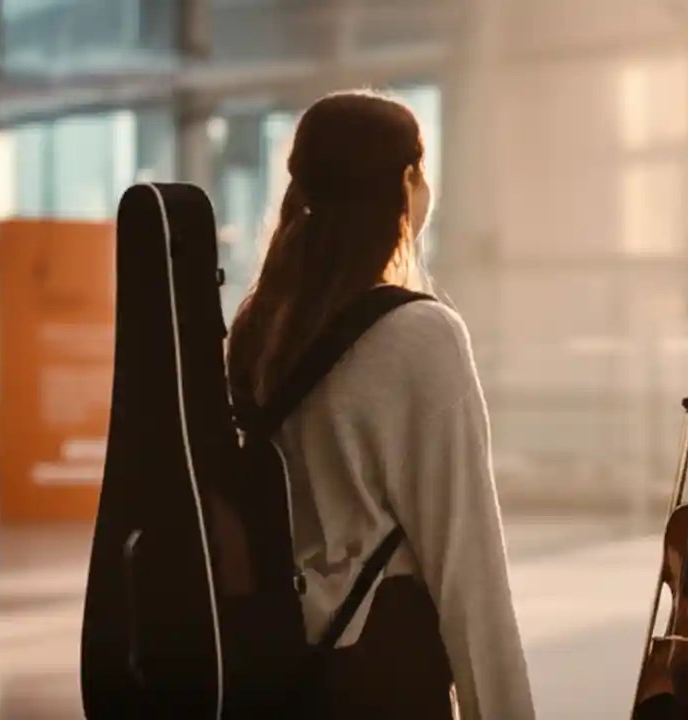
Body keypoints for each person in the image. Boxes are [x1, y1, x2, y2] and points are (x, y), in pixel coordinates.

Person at [226, 90, 535, 720]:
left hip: (275, 664)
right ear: (407, 181)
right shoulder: (420, 335)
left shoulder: (256, 328)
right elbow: (466, 560)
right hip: (378, 670)